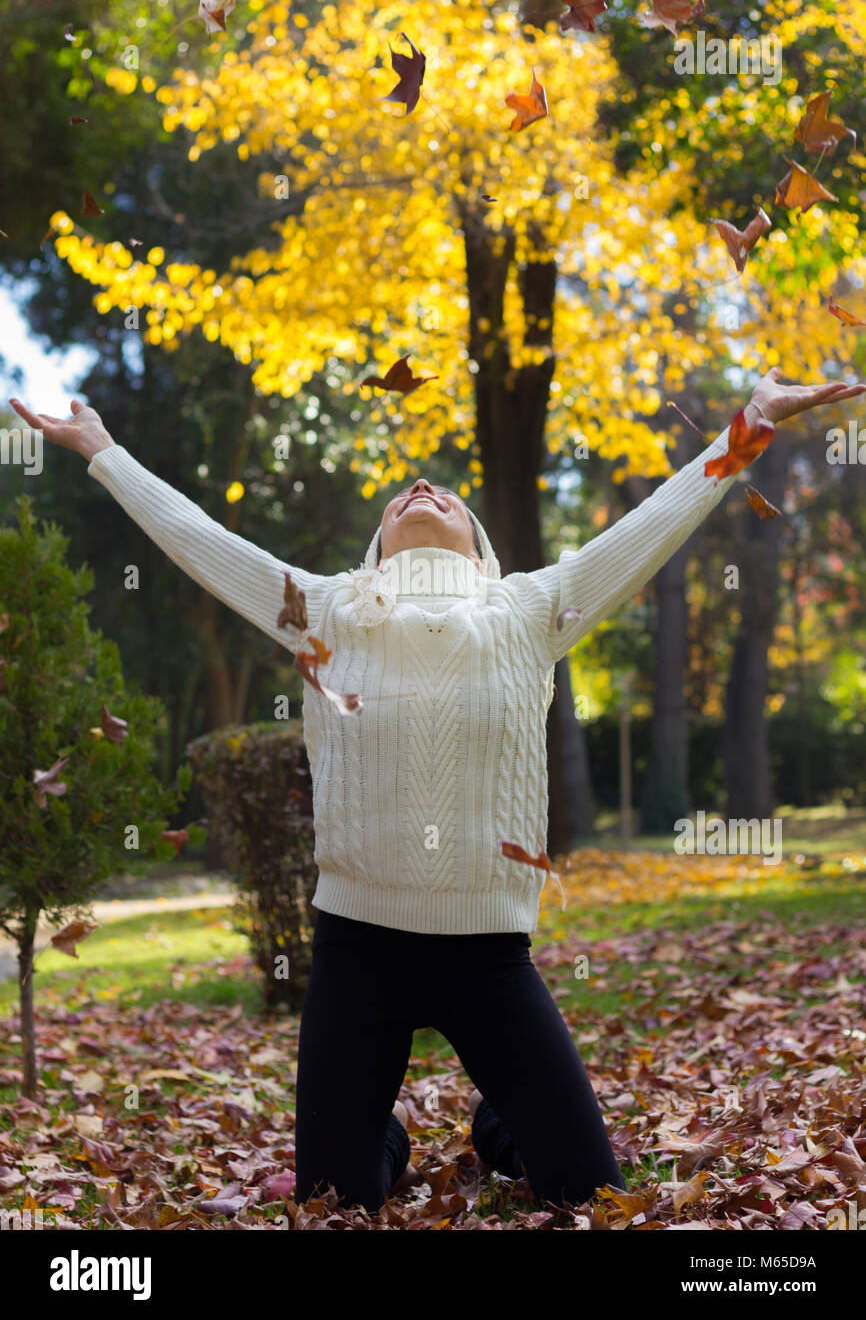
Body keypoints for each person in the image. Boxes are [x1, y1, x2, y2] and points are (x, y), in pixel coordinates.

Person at [9, 366, 864, 1214]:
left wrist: (749, 421)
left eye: (447, 493)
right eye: (404, 496)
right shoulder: (326, 610)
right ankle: (384, 1133)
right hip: (355, 952)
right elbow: (200, 540)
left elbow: (656, 522)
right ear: (375, 546)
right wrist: (103, 452)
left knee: (590, 1191)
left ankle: (500, 1122)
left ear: (482, 545)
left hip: (488, 956)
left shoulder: (531, 610)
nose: (423, 487)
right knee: (338, 1198)